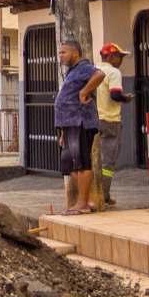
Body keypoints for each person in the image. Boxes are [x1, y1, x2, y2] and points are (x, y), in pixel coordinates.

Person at [56, 40, 103, 214]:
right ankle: (86, 200)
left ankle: (82, 204)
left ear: (75, 52)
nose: (60, 56)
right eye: (60, 53)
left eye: (63, 52)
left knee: (82, 162)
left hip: (80, 122)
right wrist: (63, 132)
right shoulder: (71, 72)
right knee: (69, 165)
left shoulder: (83, 67)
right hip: (69, 125)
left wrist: (84, 92)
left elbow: (100, 75)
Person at [94, 43, 132, 208]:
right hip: (110, 120)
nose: (121, 60)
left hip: (95, 120)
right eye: (120, 57)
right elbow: (115, 95)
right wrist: (126, 99)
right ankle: (103, 195)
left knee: (94, 159)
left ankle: (95, 193)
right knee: (108, 162)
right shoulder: (113, 72)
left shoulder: (94, 70)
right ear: (110, 57)